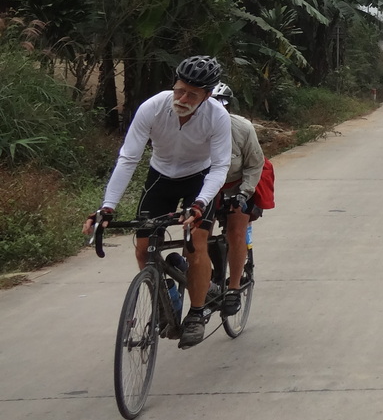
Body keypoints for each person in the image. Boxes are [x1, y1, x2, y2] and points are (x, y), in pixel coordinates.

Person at [85, 56, 231, 348]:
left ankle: (197, 313)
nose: (182, 98)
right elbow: (128, 158)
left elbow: (219, 167)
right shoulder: (153, 107)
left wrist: (200, 204)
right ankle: (166, 297)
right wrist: (107, 206)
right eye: (179, 90)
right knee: (143, 248)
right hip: (160, 176)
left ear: (206, 96)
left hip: (199, 178)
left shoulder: (217, 116)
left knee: (196, 244)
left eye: (192, 94)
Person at [210, 82, 263, 315]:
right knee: (195, 235)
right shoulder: (191, 128)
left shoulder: (242, 128)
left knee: (236, 231)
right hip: (207, 188)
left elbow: (255, 164)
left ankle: (233, 287)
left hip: (237, 185)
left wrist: (244, 193)